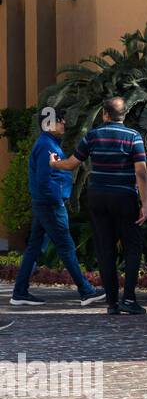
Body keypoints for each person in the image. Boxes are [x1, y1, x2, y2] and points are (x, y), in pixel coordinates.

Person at [49, 97, 147, 315]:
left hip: (98, 198)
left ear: (105, 114)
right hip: (124, 198)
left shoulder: (92, 136)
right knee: (133, 247)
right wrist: (146, 203)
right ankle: (129, 299)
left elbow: (72, 164)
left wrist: (54, 163)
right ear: (124, 115)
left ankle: (112, 303)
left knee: (105, 249)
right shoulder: (133, 137)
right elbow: (141, 171)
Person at [11, 108, 105, 306]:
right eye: (60, 120)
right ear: (49, 124)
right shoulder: (47, 146)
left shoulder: (47, 143)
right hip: (50, 205)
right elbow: (45, 180)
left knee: (34, 247)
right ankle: (86, 291)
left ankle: (19, 292)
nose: (64, 123)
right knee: (66, 247)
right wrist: (57, 200)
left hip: (43, 204)